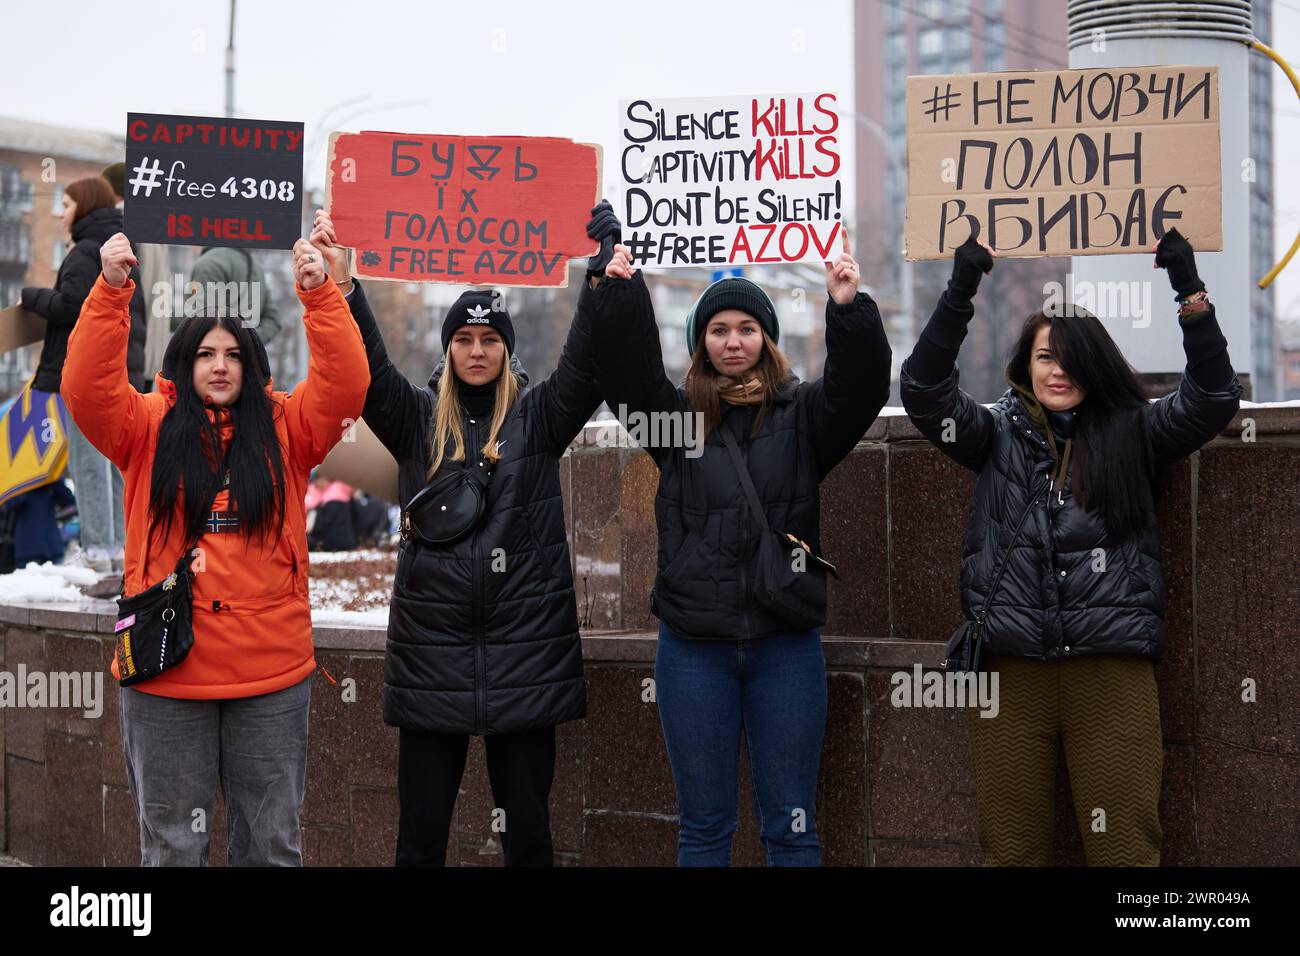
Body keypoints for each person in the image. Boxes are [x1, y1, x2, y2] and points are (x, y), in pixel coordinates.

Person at [898, 230, 1242, 866]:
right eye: (1045, 357)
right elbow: (922, 390)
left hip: (1110, 673)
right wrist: (960, 289)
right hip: (1010, 673)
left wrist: (1188, 291)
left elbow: (1215, 398)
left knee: (1125, 852)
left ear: (1098, 365)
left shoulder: (1135, 431)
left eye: (1072, 358)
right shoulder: (993, 434)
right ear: (1025, 365)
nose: (1058, 371)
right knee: (1012, 852)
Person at [311, 204, 614, 867]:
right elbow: (367, 374)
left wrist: (598, 276)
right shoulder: (418, 421)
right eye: (464, 340)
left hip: (525, 662)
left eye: (490, 340)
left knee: (529, 839)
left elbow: (587, 367)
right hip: (432, 663)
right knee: (419, 840)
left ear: (507, 350)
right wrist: (344, 287)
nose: (477, 351)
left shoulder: (538, 420)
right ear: (449, 349)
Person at [61, 231, 368, 866]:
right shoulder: (144, 426)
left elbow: (345, 391)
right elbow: (87, 391)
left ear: (252, 365)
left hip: (270, 677)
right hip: (166, 676)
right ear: (184, 362)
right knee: (173, 848)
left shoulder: (289, 426)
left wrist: (319, 294)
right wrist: (111, 292)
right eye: (205, 353)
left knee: (271, 849)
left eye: (233, 353)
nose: (220, 365)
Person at [590, 228, 892, 866]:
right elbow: (627, 378)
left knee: (792, 827)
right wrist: (621, 292)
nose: (733, 340)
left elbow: (860, 391)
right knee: (703, 829)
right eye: (719, 328)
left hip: (786, 646)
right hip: (694, 651)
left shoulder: (806, 417)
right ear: (701, 340)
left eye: (747, 328)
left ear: (766, 339)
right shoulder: (674, 423)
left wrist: (848, 309)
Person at [22, 176, 147, 572]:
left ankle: (96, 548)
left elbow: (72, 306)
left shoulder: (84, 252)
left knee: (87, 460)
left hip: (87, 372)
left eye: (66, 204)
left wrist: (31, 297)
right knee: (110, 460)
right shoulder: (119, 246)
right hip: (118, 370)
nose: (60, 213)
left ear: (86, 206)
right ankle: (113, 547)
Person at [103, 161, 173, 389]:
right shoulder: (154, 228)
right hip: (151, 349)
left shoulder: (117, 226)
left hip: (126, 351)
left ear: (110, 190)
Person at [188, 245, 282, 344]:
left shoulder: (207, 264)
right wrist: (249, 344)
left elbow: (204, 320)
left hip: (215, 354)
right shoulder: (256, 268)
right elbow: (273, 320)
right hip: (244, 357)